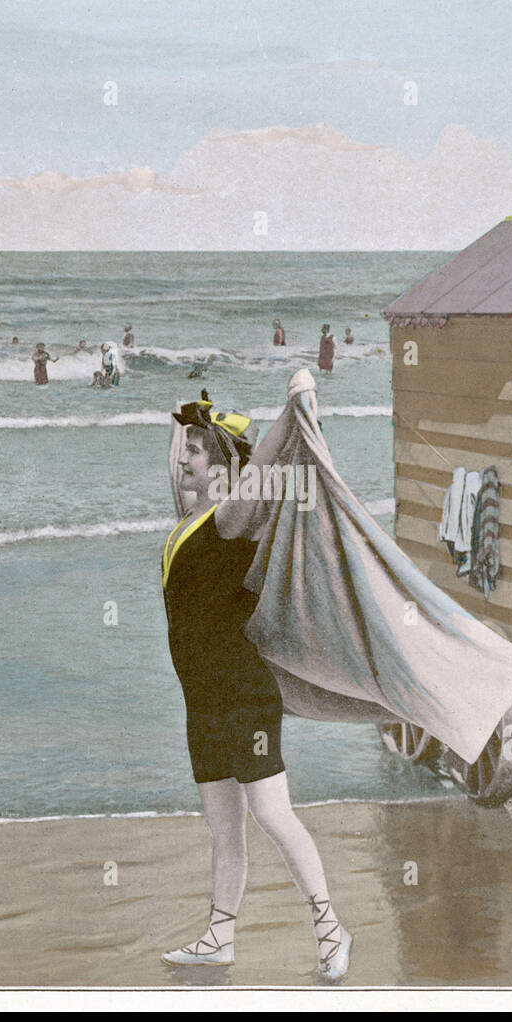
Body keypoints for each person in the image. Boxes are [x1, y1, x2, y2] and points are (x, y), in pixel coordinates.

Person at [159, 395, 352, 980]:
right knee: (225, 831)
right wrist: (186, 420)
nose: (183, 461)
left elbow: (261, 472)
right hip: (204, 703)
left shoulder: (233, 520)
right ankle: (219, 936)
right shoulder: (187, 521)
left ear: (222, 470)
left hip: (244, 697)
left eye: (195, 453)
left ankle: (329, 927)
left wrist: (293, 410)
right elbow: (183, 463)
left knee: (273, 815)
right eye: (183, 452)